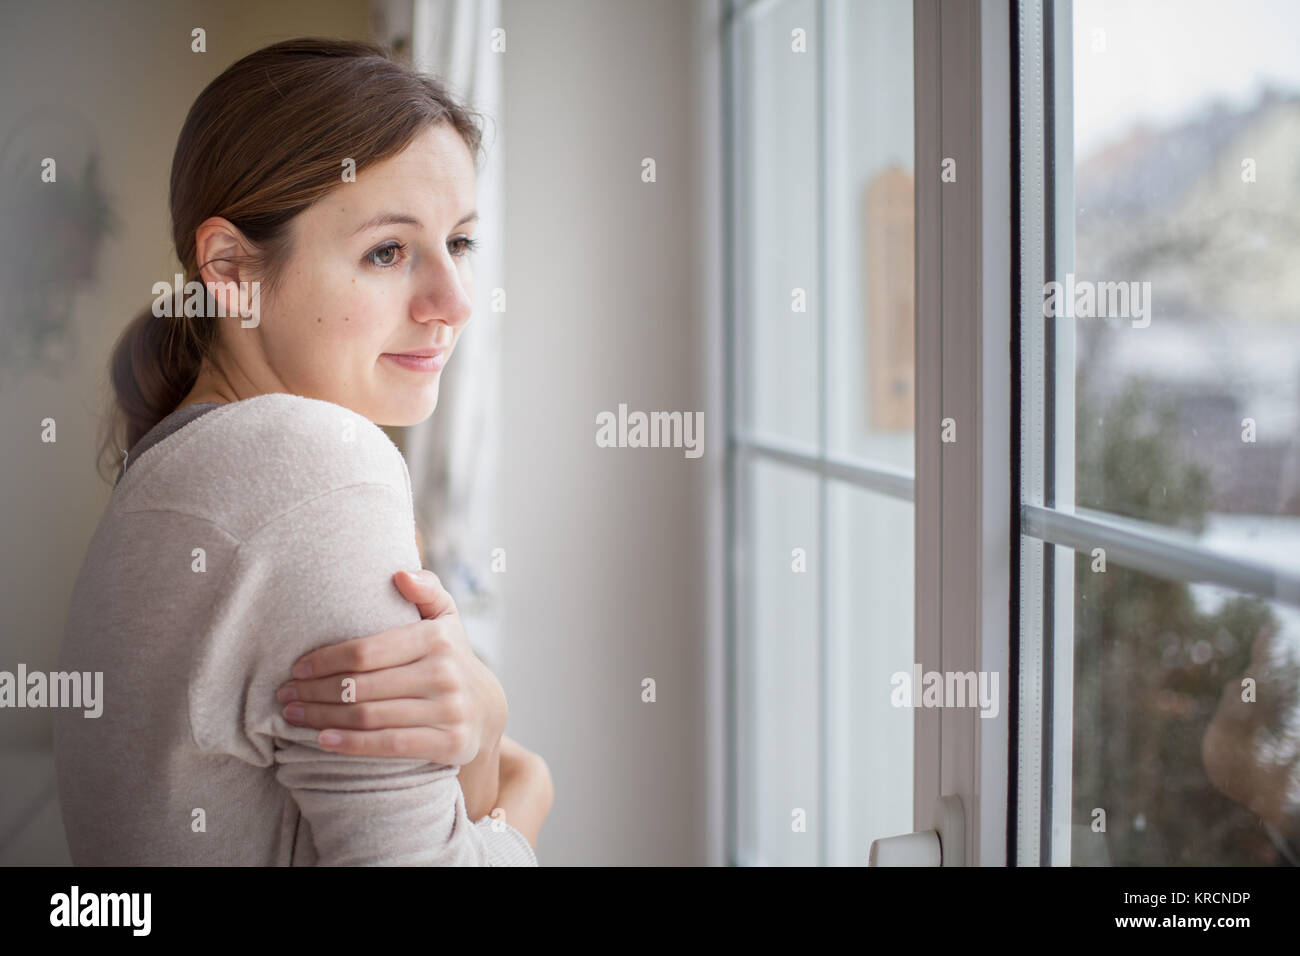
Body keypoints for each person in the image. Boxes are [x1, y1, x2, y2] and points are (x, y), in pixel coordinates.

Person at [53, 38, 551, 865]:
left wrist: (481, 729)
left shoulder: (183, 461)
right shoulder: (314, 464)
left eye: (459, 242)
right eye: (387, 251)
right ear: (231, 268)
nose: (455, 303)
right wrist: (525, 796)